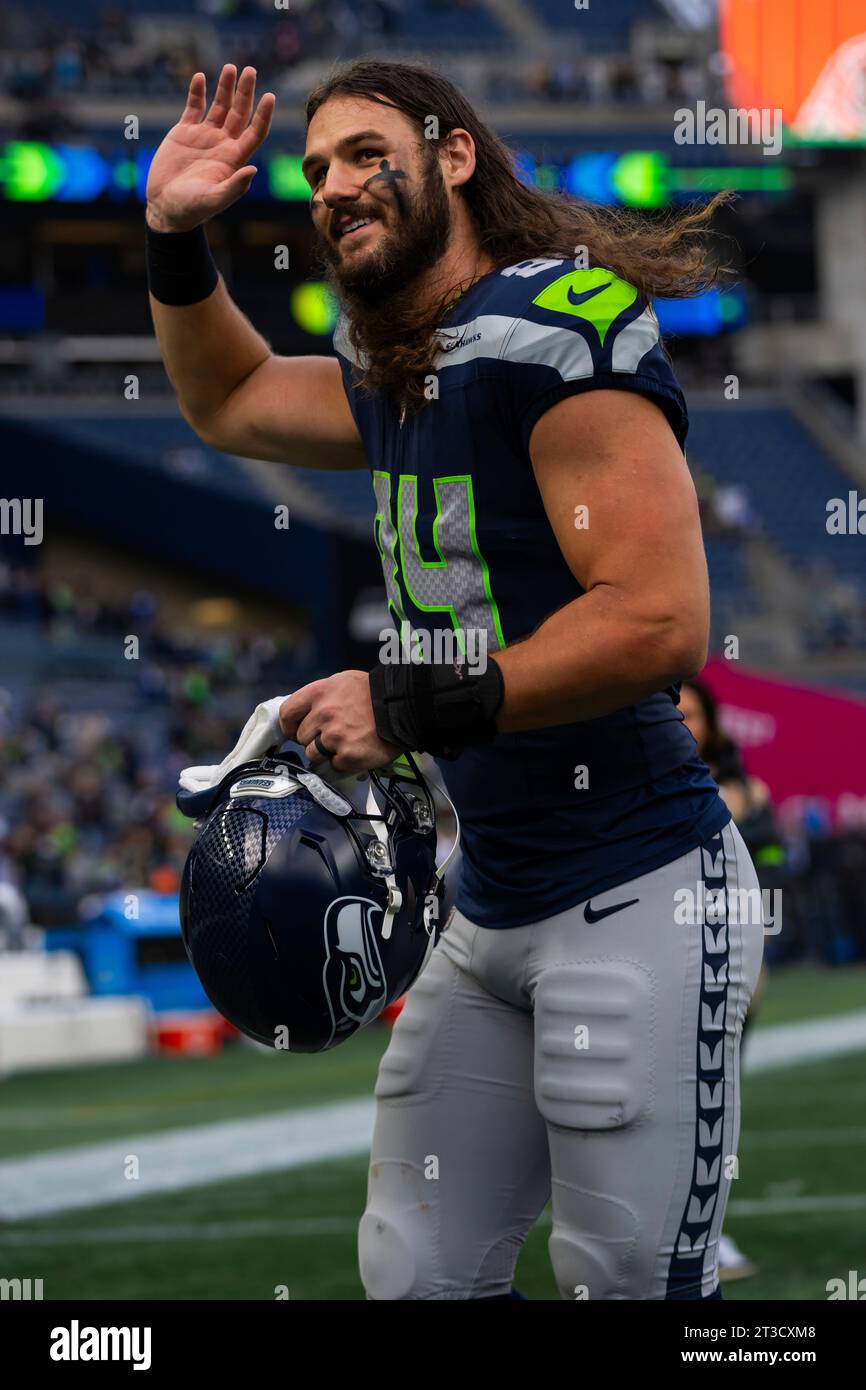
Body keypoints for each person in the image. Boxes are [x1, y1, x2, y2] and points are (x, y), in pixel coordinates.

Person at [145, 59, 764, 1300]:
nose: (330, 185)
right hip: (485, 908)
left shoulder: (556, 324)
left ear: (454, 155)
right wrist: (173, 242)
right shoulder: (395, 363)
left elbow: (656, 623)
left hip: (635, 883)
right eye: (313, 169)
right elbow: (233, 397)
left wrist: (403, 698)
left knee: (627, 1280)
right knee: (417, 1273)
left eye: (364, 152)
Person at [680, 677, 778, 1282]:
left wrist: (757, 958)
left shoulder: (749, 792)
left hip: (727, 963)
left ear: (714, 724)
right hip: (652, 960)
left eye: (690, 713)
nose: (681, 723)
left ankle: (705, 1235)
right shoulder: (632, 789)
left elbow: (768, 890)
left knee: (712, 1107)